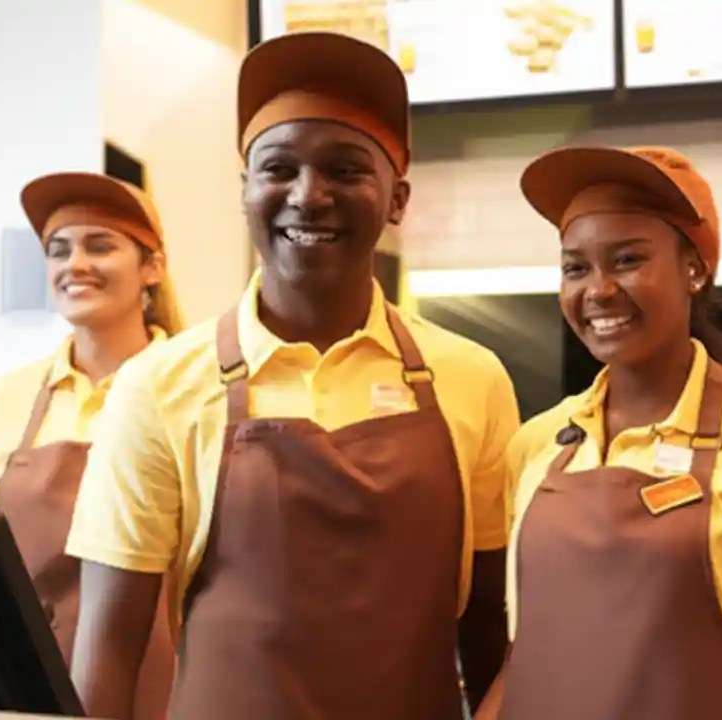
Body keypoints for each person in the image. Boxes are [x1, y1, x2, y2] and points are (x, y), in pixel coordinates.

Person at [64, 31, 520, 720]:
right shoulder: (159, 386)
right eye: (278, 168)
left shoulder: (472, 378)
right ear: (244, 190)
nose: (309, 196)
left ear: (396, 199)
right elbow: (109, 649)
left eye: (344, 170)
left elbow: (487, 624)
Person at [474, 146, 722, 720]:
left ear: (695, 268)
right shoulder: (537, 443)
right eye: (575, 267)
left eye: (628, 260)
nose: (599, 290)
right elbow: (522, 658)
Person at [0, 171, 183, 720]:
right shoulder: (11, 397)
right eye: (59, 250)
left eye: (100, 245)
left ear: (152, 267)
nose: (75, 265)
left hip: (170, 682)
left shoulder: (194, 388)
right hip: (32, 677)